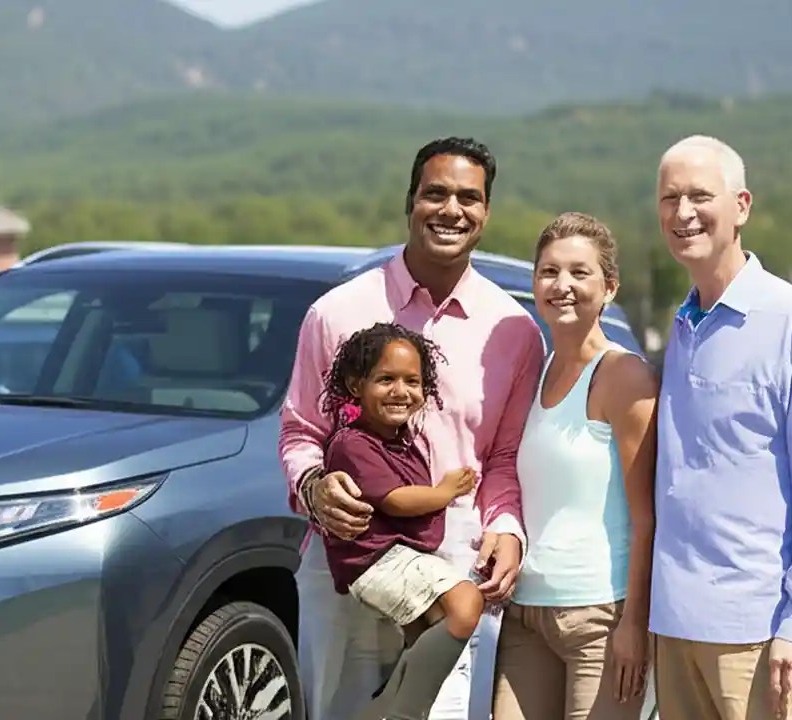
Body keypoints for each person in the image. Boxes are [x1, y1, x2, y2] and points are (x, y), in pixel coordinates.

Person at [279, 136, 546, 720]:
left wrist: (507, 529)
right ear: (411, 202)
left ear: (485, 213)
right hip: (345, 565)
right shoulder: (337, 312)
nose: (452, 210)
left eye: (468, 198)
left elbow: (503, 457)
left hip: (453, 575)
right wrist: (315, 490)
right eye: (436, 194)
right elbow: (300, 430)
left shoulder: (514, 330)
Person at [650, 135, 792, 720]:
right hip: (675, 622)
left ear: (741, 206)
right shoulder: (683, 325)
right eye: (669, 198)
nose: (683, 212)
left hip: (762, 629)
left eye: (699, 195)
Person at [490, 212, 658, 719]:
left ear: (609, 287)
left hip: (600, 619)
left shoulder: (624, 374)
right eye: (549, 272)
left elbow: (647, 516)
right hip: (526, 614)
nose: (562, 285)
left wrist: (635, 625)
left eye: (579, 273)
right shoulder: (538, 369)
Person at [318, 321, 486, 719]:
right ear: (356, 385)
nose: (401, 391)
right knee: (465, 604)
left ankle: (379, 711)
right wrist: (445, 491)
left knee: (429, 633)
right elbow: (395, 499)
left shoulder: (400, 438)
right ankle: (406, 714)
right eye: (386, 379)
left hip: (393, 558)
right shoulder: (353, 442)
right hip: (376, 559)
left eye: (413, 381)